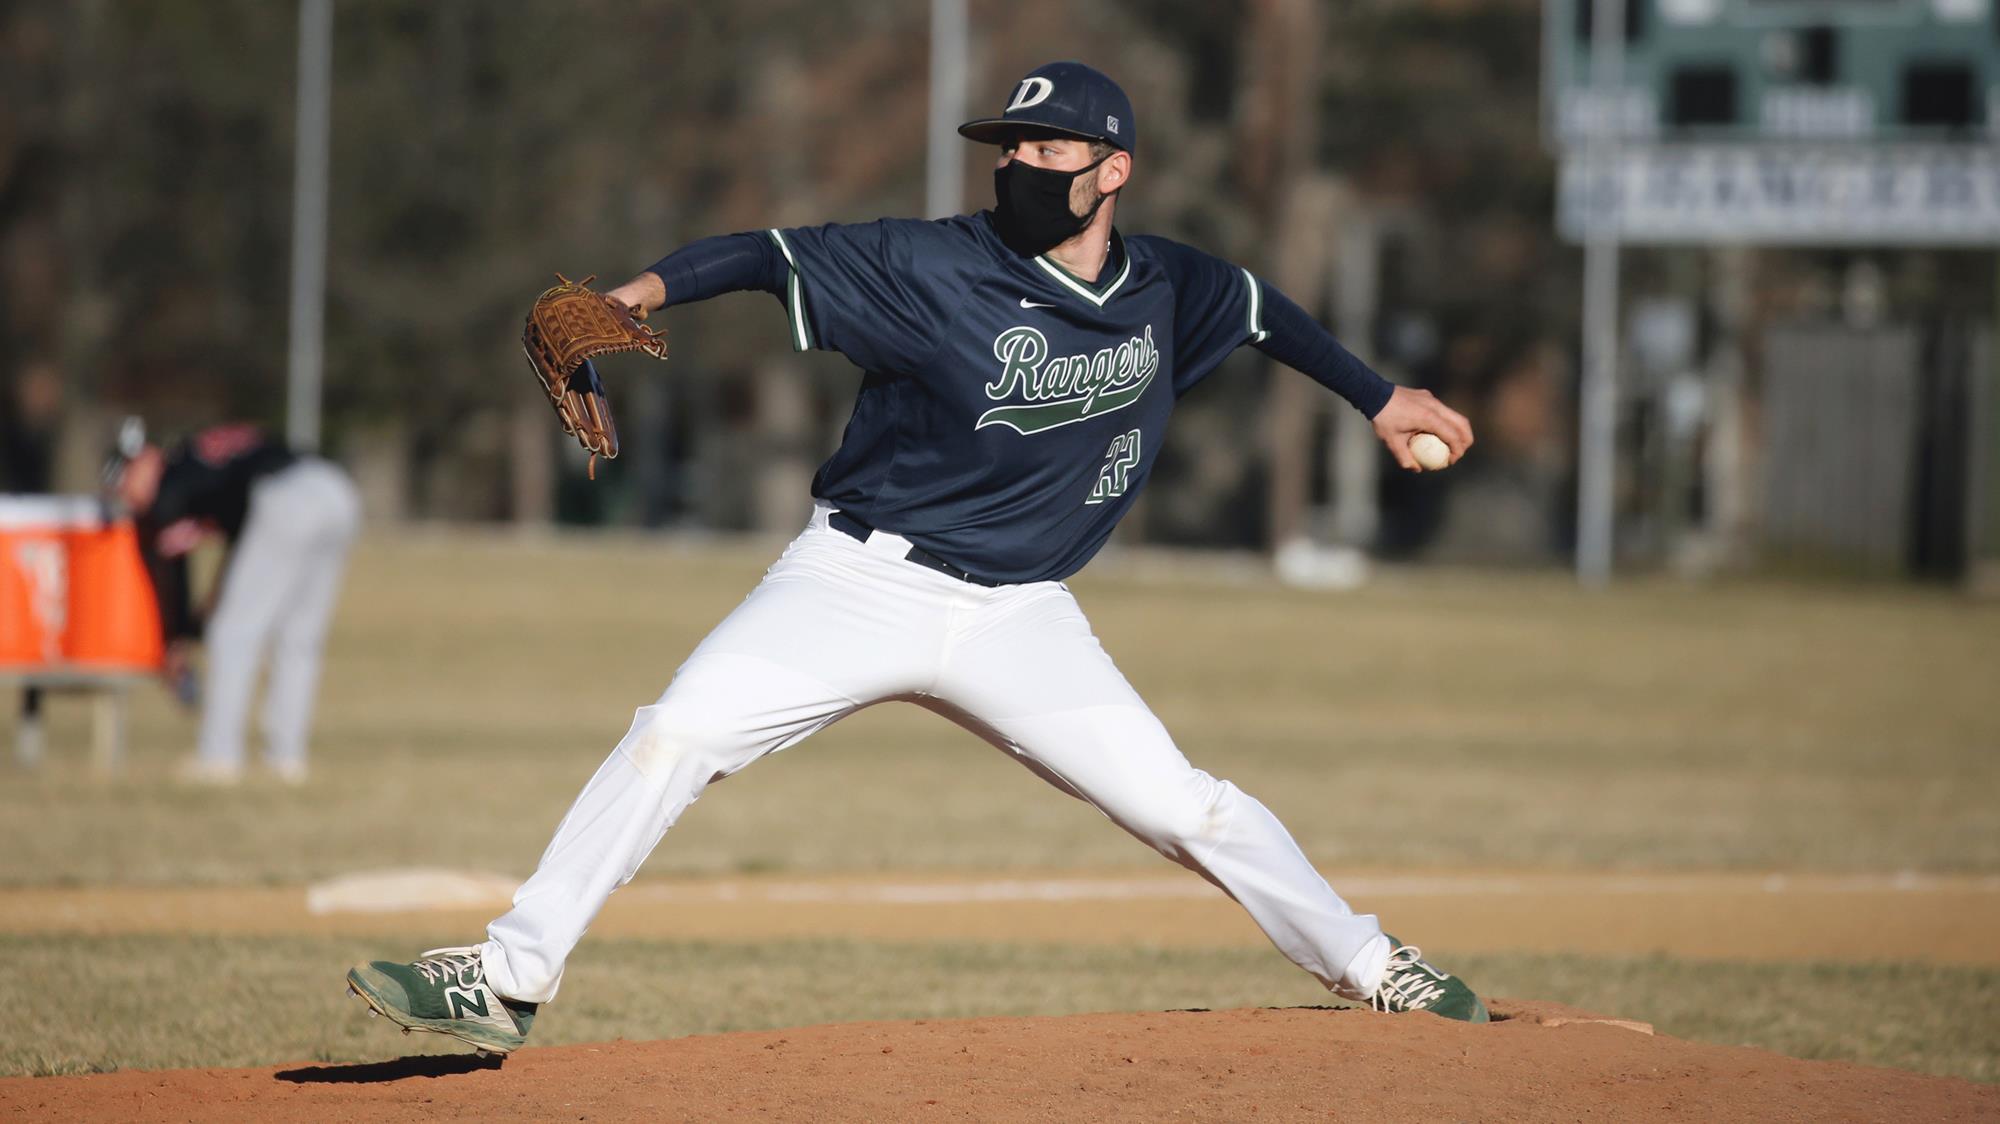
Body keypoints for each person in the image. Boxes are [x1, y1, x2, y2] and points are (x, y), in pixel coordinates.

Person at [347, 61, 1481, 1056]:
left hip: (1021, 616)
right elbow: (761, 251)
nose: (1020, 166)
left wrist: (1378, 398)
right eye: (1010, 147)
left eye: (1048, 148)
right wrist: (634, 294)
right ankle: (506, 977)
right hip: (856, 581)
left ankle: (1373, 964)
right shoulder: (923, 266)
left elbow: (1259, 309)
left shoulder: (1165, 288)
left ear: (1113, 169)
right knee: (675, 732)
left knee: (1186, 807)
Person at [115, 423, 360, 785]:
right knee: (298, 637)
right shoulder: (200, 456)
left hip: (286, 500)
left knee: (232, 635)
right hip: (335, 491)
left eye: (125, 472)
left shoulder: (171, 484)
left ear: (150, 457)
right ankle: (287, 759)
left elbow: (175, 567)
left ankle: (220, 757)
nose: (124, 487)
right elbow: (242, 543)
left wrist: (177, 634)